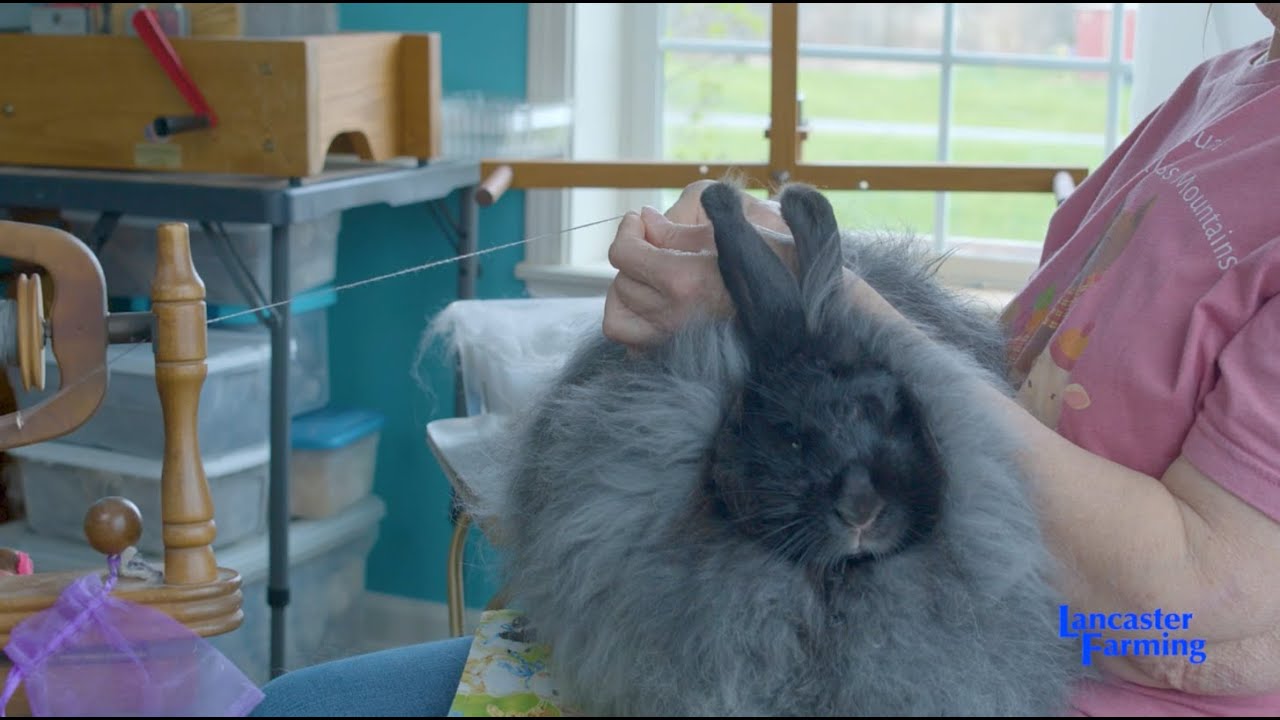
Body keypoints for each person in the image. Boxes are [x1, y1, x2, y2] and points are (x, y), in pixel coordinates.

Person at [252, 6, 1280, 716]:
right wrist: (794, 292)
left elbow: (1199, 615)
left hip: (1049, 670)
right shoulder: (1222, 86)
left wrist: (854, 307)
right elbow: (1048, 354)